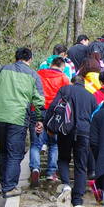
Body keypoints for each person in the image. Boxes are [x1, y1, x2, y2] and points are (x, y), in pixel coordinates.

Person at [0, 47, 43, 197]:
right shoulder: (33, 75)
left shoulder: (2, 70)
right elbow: (38, 100)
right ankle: (9, 187)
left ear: (16, 57)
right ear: (30, 59)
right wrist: (39, 119)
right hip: (18, 118)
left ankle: (4, 182)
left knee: (3, 149)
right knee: (15, 152)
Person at [50, 73, 96, 207]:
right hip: (84, 132)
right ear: (84, 84)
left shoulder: (65, 90)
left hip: (66, 130)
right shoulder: (90, 96)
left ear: (72, 82)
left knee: (63, 159)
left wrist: (49, 127)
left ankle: (66, 185)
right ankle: (77, 200)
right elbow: (94, 115)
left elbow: (53, 107)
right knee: (81, 165)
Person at [31, 55, 70, 185]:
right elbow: (67, 97)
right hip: (55, 113)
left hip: (38, 110)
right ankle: (51, 172)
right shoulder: (63, 78)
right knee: (54, 144)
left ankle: (35, 168)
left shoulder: (38, 74)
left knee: (36, 143)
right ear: (62, 67)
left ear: (51, 64)